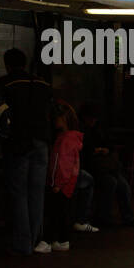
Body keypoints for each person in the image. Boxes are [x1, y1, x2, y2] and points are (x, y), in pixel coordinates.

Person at [0, 48, 53, 255]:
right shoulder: (43, 84)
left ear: (7, 64)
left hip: (17, 143)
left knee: (19, 194)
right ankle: (37, 240)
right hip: (41, 141)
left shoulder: (5, 84)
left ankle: (23, 244)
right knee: (37, 193)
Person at [78, 103, 134, 227]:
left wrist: (106, 150)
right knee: (111, 182)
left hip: (104, 166)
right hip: (93, 166)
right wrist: (96, 151)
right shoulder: (81, 131)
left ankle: (127, 217)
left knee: (123, 185)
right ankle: (104, 217)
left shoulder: (98, 130)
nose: (93, 120)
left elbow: (109, 144)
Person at [43, 104, 84, 253]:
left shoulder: (64, 139)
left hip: (60, 182)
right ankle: (62, 239)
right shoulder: (72, 138)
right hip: (68, 182)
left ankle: (49, 240)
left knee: (55, 212)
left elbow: (61, 163)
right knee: (63, 212)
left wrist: (56, 182)